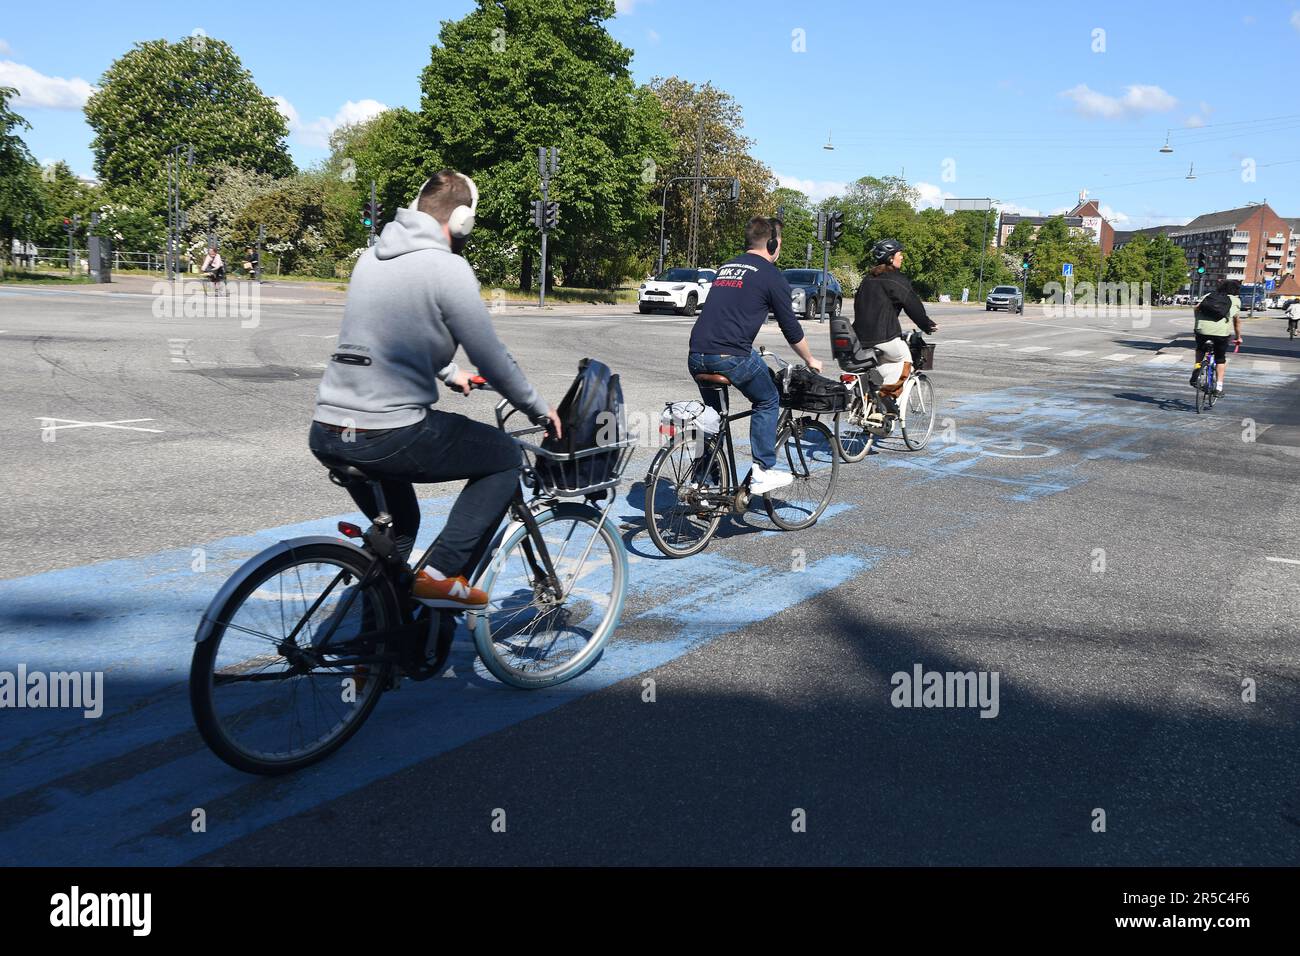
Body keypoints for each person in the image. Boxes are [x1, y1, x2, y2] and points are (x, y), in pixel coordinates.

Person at [308, 169, 561, 610]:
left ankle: (377, 655)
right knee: (503, 455)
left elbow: (392, 331)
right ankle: (441, 575)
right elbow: (493, 358)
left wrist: (449, 372)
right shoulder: (448, 267)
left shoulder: (372, 258)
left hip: (328, 428)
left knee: (399, 530)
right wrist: (539, 409)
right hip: (386, 431)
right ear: (462, 220)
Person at [687, 216, 822, 495]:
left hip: (697, 354)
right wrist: (810, 359)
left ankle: (703, 481)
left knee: (713, 417)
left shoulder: (726, 267)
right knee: (768, 398)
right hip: (729, 355)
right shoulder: (771, 275)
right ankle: (762, 471)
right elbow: (791, 329)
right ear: (773, 243)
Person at [851, 239, 938, 409]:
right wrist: (927, 325)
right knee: (905, 359)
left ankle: (872, 407)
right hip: (884, 336)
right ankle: (887, 399)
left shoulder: (867, 279)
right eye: (900, 254)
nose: (902, 257)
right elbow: (913, 306)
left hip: (860, 337)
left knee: (886, 366)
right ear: (891, 258)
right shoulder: (896, 279)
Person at [1189, 279, 1242, 396]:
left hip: (1202, 330)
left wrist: (1197, 325)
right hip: (1221, 334)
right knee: (1220, 359)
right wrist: (1239, 337)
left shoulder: (1208, 295)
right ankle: (1218, 387)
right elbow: (1236, 321)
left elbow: (1196, 308)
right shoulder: (1235, 300)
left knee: (1200, 350)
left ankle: (1196, 370)